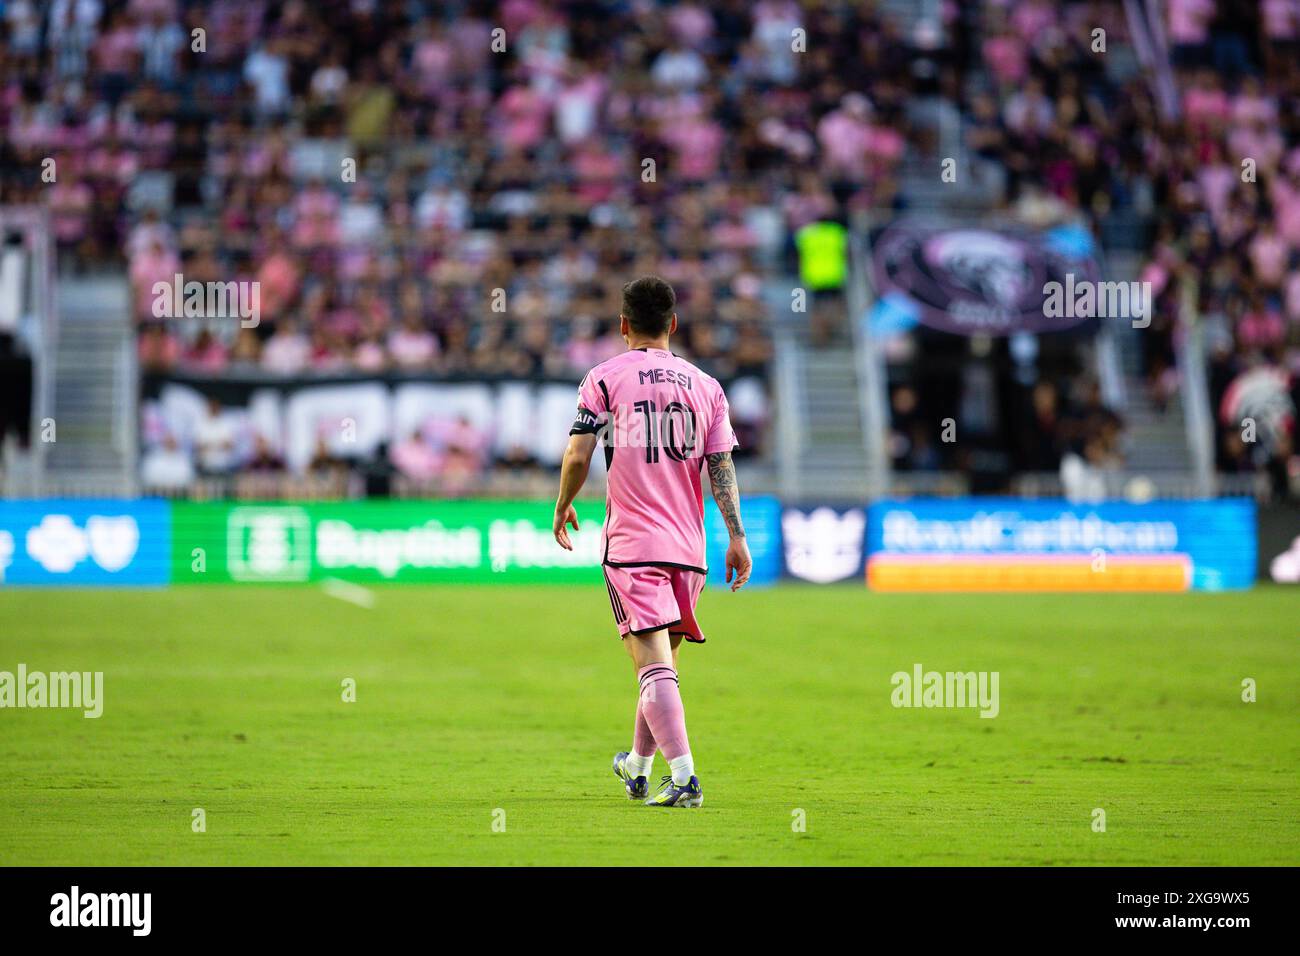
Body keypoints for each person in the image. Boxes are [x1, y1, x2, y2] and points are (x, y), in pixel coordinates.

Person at [552, 276, 752, 808]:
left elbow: (577, 455)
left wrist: (563, 502)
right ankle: (638, 766)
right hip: (690, 549)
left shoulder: (604, 377)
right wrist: (736, 536)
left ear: (623, 326)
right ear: (674, 325)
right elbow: (721, 466)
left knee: (651, 668)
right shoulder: (706, 386)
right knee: (660, 666)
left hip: (634, 544)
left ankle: (686, 779)